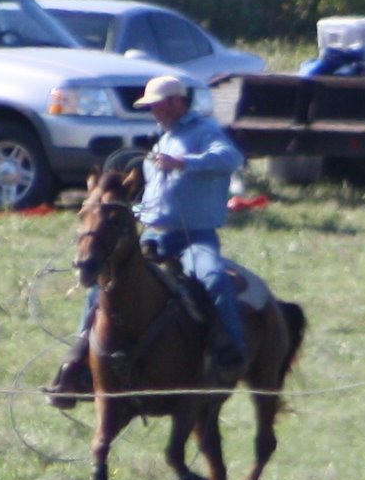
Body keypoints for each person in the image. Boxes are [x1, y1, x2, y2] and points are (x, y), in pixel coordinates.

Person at [53, 75, 248, 394]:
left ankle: (231, 351)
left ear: (175, 102)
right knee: (103, 283)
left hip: (194, 237)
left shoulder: (205, 131)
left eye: (155, 105)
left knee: (212, 277)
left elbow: (231, 158)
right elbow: (156, 195)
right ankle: (79, 360)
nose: (152, 112)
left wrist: (184, 162)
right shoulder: (163, 139)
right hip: (155, 234)